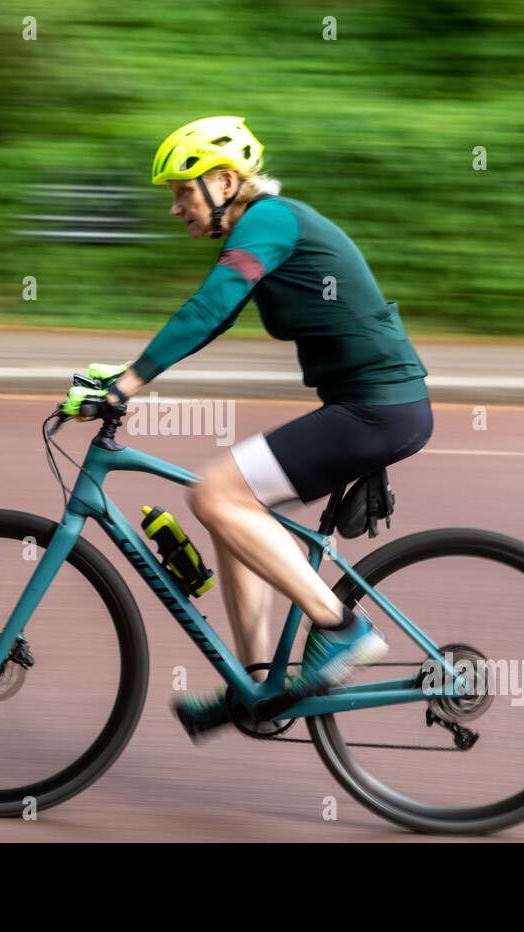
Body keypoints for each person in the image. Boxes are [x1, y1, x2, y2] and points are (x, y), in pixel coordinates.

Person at [102, 115, 433, 741]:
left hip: (376, 410)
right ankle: (259, 685)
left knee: (213, 492)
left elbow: (208, 306)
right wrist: (125, 375)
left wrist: (127, 383)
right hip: (372, 406)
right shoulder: (265, 231)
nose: (175, 209)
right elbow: (219, 316)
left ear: (225, 182)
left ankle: (341, 629)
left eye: (181, 191)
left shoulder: (272, 221)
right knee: (231, 510)